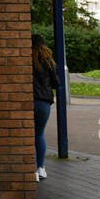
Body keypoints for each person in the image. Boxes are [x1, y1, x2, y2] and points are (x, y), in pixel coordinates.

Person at [32, 34, 61, 181]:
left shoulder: (26, 59)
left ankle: (33, 171)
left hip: (28, 101)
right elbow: (56, 83)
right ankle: (41, 168)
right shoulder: (48, 61)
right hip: (44, 102)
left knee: (29, 135)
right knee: (39, 134)